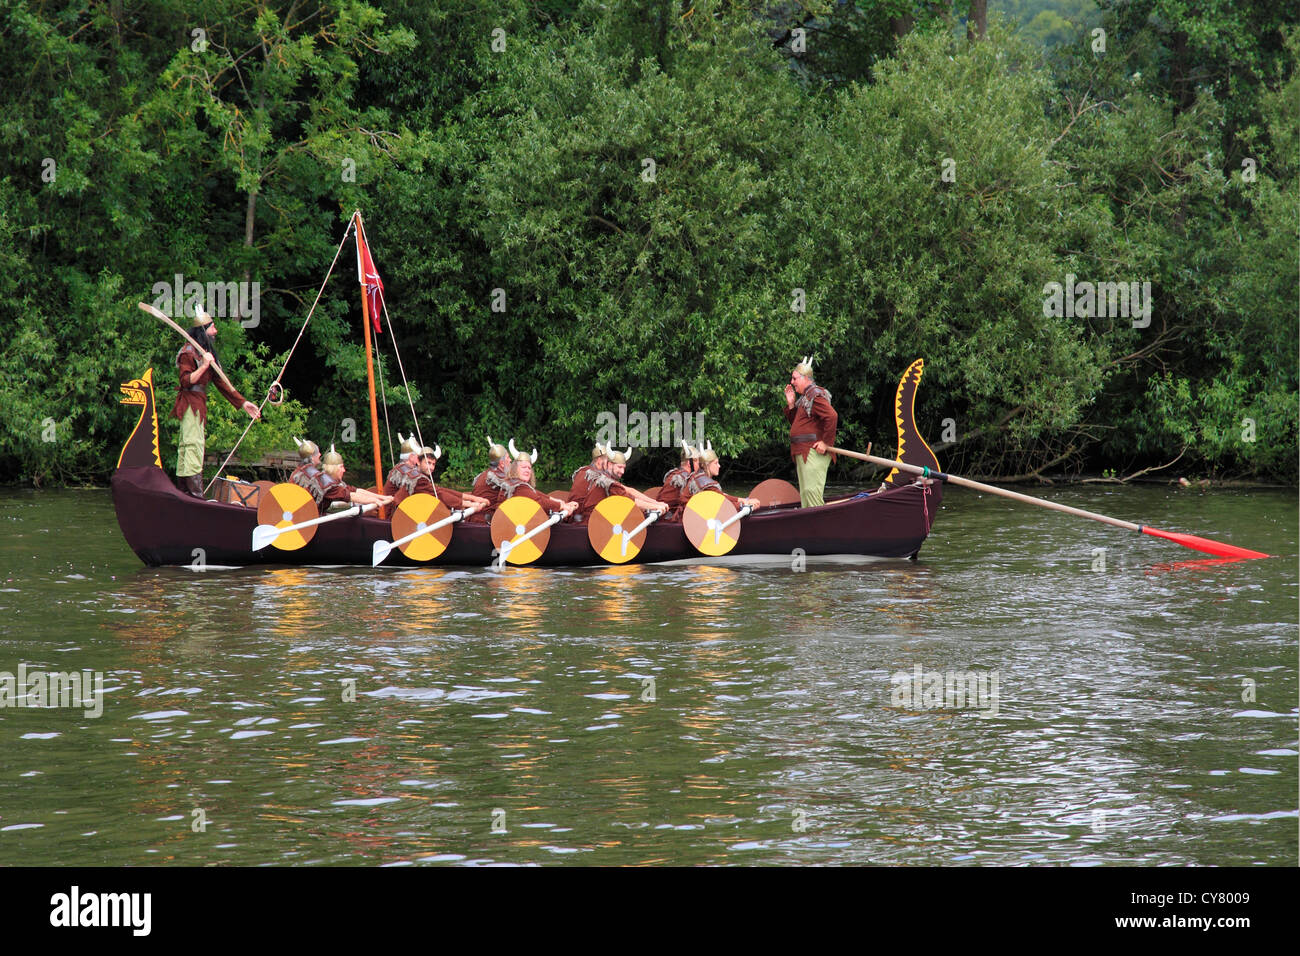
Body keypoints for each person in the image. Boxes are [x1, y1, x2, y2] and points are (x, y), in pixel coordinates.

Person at [173, 307, 260, 498]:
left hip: (198, 403)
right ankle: (192, 494)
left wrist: (243, 403)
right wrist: (204, 365)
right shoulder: (189, 352)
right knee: (191, 445)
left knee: (192, 445)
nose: (215, 331)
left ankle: (187, 493)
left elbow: (222, 383)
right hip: (189, 403)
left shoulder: (205, 352)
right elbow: (186, 380)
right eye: (213, 328)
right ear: (204, 331)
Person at [383, 432, 488, 515]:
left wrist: (471, 498)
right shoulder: (417, 479)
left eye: (433, 464)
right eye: (428, 463)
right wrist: (468, 503)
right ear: (418, 461)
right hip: (393, 516)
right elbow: (439, 495)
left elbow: (438, 490)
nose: (431, 467)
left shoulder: (412, 473)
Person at [783, 355, 838, 507]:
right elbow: (798, 424)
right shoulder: (804, 398)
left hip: (812, 452)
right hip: (802, 451)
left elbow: (832, 416)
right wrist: (791, 405)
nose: (792, 382)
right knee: (806, 494)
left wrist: (826, 443)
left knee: (811, 493)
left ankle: (821, 527)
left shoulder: (815, 395)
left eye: (794, 378)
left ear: (805, 378)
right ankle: (810, 526)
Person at [568, 442, 668, 522]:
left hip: (573, 517)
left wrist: (655, 502)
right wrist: (655, 506)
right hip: (586, 523)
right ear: (599, 460)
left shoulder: (583, 471)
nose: (622, 472)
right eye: (606, 460)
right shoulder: (602, 480)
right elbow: (629, 500)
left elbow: (627, 490)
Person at [495, 445, 579, 521]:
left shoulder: (517, 484)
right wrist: (562, 506)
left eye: (529, 468)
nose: (527, 470)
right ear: (515, 469)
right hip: (509, 525)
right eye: (524, 467)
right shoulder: (517, 486)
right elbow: (539, 501)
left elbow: (538, 494)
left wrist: (561, 502)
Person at [309, 445, 393, 512]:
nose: (344, 470)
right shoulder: (328, 485)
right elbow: (351, 496)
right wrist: (376, 501)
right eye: (341, 467)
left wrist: (381, 497)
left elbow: (355, 490)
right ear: (334, 469)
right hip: (311, 518)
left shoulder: (329, 480)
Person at [684, 440, 760, 512]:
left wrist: (743, 500)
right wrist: (744, 503)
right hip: (688, 518)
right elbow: (721, 500)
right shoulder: (704, 482)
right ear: (707, 465)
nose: (719, 466)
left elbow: (721, 495)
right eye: (716, 463)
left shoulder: (701, 477)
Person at [468, 436, 511, 524]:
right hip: (482, 523)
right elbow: (518, 490)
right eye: (508, 458)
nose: (510, 460)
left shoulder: (487, 474)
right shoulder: (498, 477)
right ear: (502, 463)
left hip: (475, 519)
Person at [657, 440, 699, 521]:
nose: (699, 465)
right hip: (666, 519)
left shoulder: (679, 475)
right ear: (689, 463)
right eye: (697, 461)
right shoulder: (679, 479)